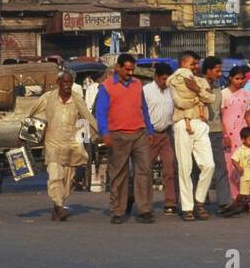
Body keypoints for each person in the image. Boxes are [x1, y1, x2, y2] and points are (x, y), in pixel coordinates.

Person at [23, 69, 100, 221]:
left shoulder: (77, 99)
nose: (67, 85)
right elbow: (31, 113)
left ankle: (57, 207)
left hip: (72, 145)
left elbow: (87, 117)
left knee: (66, 180)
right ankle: (59, 206)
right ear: (58, 83)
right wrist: (23, 135)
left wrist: (99, 132)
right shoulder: (48, 97)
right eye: (64, 82)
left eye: (70, 82)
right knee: (54, 176)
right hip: (52, 143)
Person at [93, 53, 156, 224]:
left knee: (144, 171)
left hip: (139, 133)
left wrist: (150, 130)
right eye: (127, 69)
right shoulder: (106, 87)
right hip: (117, 135)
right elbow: (101, 113)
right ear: (118, 68)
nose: (130, 73)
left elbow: (144, 109)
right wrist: (105, 133)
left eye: (132, 69)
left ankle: (144, 209)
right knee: (119, 174)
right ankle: (117, 211)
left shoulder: (137, 85)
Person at [168, 51, 215, 221]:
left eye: (196, 64)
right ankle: (188, 207)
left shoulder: (201, 81)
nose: (195, 67)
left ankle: (199, 201)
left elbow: (211, 98)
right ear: (183, 64)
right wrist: (197, 99)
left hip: (200, 123)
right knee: (185, 167)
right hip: (182, 123)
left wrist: (197, 91)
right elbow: (179, 102)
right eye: (192, 64)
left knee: (209, 165)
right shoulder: (174, 81)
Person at [142, 62, 179, 215]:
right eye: (163, 79)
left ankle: (171, 202)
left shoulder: (172, 90)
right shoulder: (146, 91)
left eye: (168, 79)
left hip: (167, 133)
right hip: (150, 134)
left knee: (170, 168)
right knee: (145, 169)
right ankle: (145, 203)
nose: (166, 82)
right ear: (156, 77)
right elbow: (142, 112)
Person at [201, 56, 233, 209]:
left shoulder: (218, 89)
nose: (220, 74)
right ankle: (199, 200)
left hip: (216, 132)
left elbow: (220, 113)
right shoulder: (197, 86)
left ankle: (224, 201)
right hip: (200, 133)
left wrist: (224, 134)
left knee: (220, 166)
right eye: (217, 70)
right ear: (208, 70)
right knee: (199, 168)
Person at [221, 66, 250, 200]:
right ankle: (233, 197)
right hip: (228, 133)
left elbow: (247, 114)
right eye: (237, 78)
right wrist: (224, 135)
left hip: (242, 133)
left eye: (242, 78)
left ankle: (245, 196)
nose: (240, 81)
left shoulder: (245, 94)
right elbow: (220, 117)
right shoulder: (223, 94)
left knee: (244, 163)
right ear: (230, 79)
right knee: (230, 165)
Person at [221, 128, 250, 216]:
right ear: (243, 139)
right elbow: (233, 159)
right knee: (242, 194)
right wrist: (238, 167)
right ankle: (234, 205)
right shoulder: (240, 150)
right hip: (245, 176)